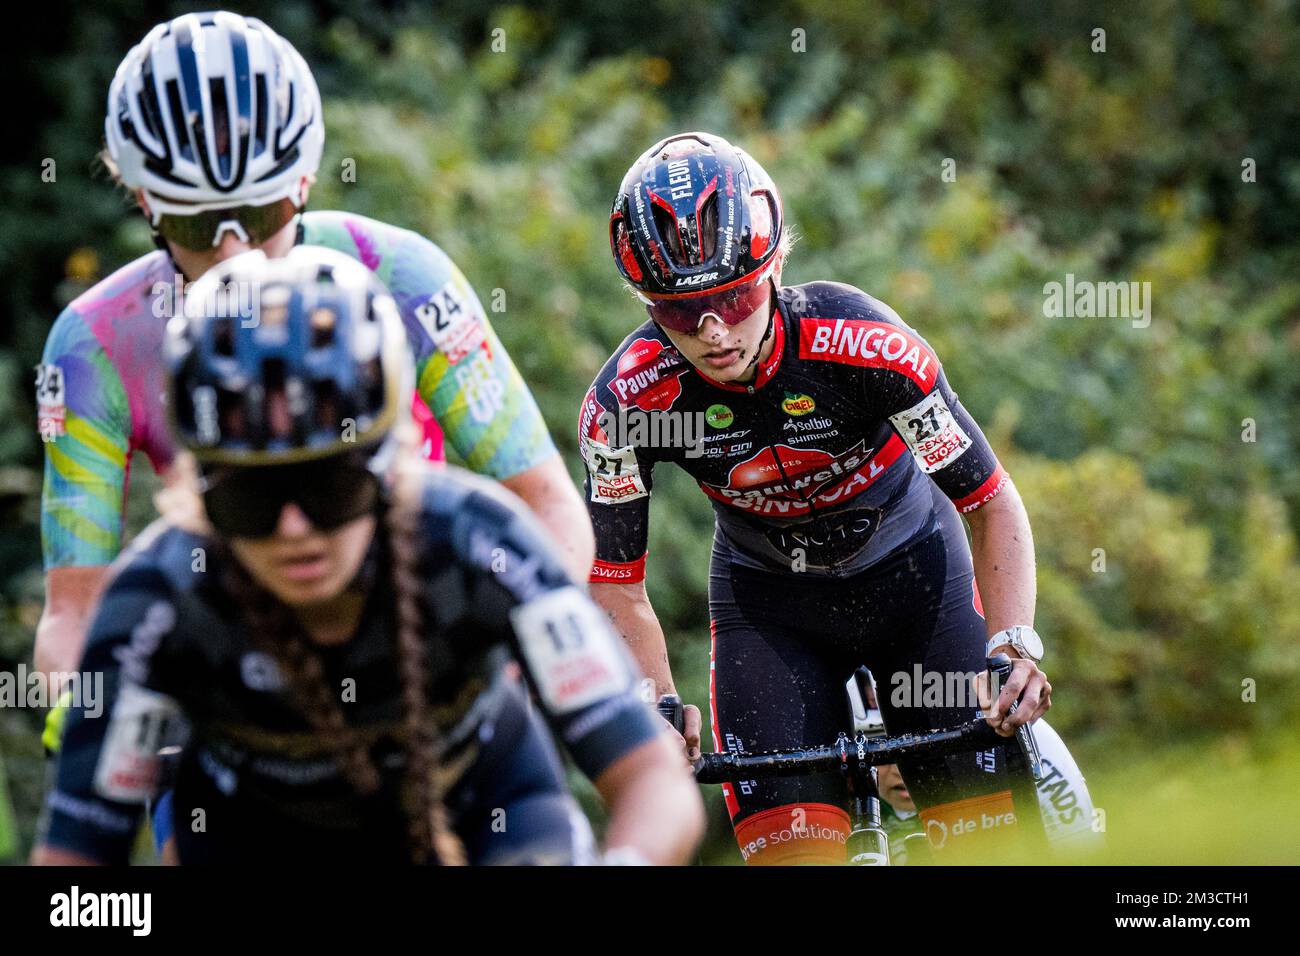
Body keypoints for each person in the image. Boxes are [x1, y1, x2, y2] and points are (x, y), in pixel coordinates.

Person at [32, 247, 704, 865]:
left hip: (489, 817)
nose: (295, 530)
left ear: (393, 468)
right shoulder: (157, 598)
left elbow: (652, 779)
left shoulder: (479, 541)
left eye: (330, 487)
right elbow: (73, 866)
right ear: (196, 497)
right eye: (252, 502)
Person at [35, 11, 593, 694]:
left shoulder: (403, 276)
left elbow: (545, 504)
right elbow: (75, 608)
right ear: (144, 201)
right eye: (197, 224)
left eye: (261, 216)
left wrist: (518, 659)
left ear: (302, 184)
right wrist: (82, 709)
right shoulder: (94, 343)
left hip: (423, 658)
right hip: (235, 689)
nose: (233, 254)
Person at [582, 131, 1054, 864]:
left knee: (987, 850)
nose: (712, 332)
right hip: (771, 613)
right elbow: (616, 583)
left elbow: (988, 502)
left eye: (732, 296)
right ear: (646, 304)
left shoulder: (861, 343)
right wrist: (654, 705)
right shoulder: (627, 403)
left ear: (773, 267)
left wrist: (1013, 644)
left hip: (916, 584)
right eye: (679, 311)